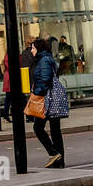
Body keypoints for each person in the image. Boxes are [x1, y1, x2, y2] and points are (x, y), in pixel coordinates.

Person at [30, 37, 69, 168]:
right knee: (55, 130)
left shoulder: (43, 61)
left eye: (33, 48)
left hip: (48, 99)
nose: (31, 51)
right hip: (53, 98)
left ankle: (54, 154)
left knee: (38, 128)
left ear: (39, 48)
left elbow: (45, 80)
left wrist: (36, 94)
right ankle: (59, 161)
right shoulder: (47, 59)